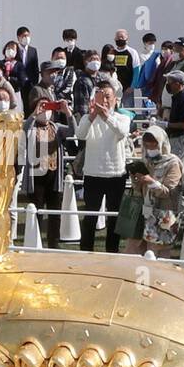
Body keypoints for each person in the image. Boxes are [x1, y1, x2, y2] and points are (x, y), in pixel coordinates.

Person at [76, 81, 130, 253]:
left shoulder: (122, 117)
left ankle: (112, 251)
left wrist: (106, 116)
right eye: (101, 96)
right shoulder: (88, 118)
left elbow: (121, 132)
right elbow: (80, 135)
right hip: (93, 174)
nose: (104, 100)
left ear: (115, 100)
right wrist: (93, 115)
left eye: (108, 96)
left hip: (116, 174)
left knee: (114, 217)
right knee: (90, 216)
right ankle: (86, 250)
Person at [18, 88, 75, 249]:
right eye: (43, 108)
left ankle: (53, 243)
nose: (46, 112)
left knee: (55, 212)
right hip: (36, 176)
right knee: (35, 210)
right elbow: (24, 129)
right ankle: (34, 241)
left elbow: (73, 131)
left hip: (53, 174)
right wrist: (35, 113)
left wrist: (67, 112)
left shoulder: (56, 128)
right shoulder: (30, 127)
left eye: (48, 108)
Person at [125, 124, 184, 256]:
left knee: (157, 255)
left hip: (162, 216)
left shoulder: (173, 163)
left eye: (153, 145)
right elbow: (140, 190)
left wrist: (151, 182)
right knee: (134, 251)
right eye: (147, 145)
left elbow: (169, 192)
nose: (150, 148)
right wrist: (136, 181)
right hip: (143, 214)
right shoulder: (146, 161)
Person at [160, 70, 184, 164]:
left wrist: (167, 124)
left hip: (180, 140)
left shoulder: (183, 99)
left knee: (177, 168)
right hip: (176, 139)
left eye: (170, 82)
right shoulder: (177, 97)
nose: (168, 85)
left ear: (177, 84)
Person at [109, 29, 140, 96]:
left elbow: (136, 71)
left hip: (128, 88)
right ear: (114, 39)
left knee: (127, 106)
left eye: (122, 37)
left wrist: (132, 87)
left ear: (127, 39)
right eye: (118, 37)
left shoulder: (132, 52)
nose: (120, 39)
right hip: (114, 88)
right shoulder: (112, 52)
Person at [15, 26, 39, 90]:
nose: (26, 38)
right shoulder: (14, 49)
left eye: (28, 36)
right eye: (24, 36)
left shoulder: (33, 50)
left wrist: (34, 83)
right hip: (18, 84)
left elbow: (35, 68)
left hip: (30, 84)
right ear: (18, 37)